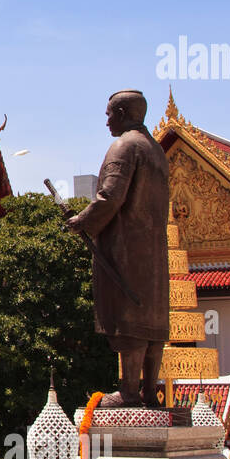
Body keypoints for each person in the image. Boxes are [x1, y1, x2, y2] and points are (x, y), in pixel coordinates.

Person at [66, 90, 170, 407]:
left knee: (130, 321)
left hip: (127, 248)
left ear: (122, 112)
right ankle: (150, 392)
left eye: (110, 114)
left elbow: (110, 197)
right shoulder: (156, 152)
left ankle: (128, 392)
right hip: (153, 251)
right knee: (151, 322)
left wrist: (81, 221)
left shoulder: (124, 146)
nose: (107, 120)